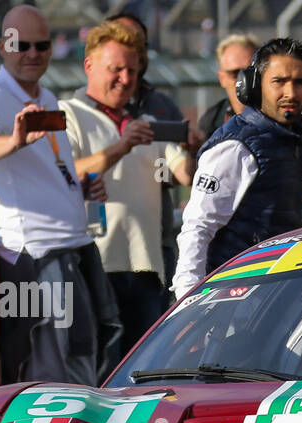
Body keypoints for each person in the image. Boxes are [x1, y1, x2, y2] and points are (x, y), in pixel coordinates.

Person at [0, 4, 119, 385]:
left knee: (88, 355)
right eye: (22, 45)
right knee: (50, 368)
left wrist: (76, 188)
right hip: (35, 253)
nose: (33, 54)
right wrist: (15, 140)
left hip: (73, 245)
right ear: (3, 46)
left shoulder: (48, 96)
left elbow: (51, 162)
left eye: (42, 45)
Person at [61, 21, 193, 355]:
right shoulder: (67, 115)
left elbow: (183, 175)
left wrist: (193, 147)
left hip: (147, 267)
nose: (125, 79)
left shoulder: (146, 126)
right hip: (95, 265)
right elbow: (62, 175)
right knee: (101, 367)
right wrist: (120, 147)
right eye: (115, 69)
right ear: (88, 65)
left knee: (143, 371)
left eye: (131, 71)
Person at [172, 38, 302, 299]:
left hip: (274, 290)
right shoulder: (235, 146)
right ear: (254, 86)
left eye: (299, 82)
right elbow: (197, 228)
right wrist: (188, 301)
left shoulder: (292, 137)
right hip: (233, 296)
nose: (291, 93)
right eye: (279, 81)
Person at [106, 12, 205, 290]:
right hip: (103, 250)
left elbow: (180, 175)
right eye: (121, 41)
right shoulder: (81, 111)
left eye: (138, 43)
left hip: (154, 248)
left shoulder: (160, 107)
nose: (131, 50)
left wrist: (192, 153)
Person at [197, 33, 261, 141]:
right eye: (235, 73)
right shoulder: (212, 120)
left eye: (250, 71)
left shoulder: (280, 116)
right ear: (222, 78)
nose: (243, 79)